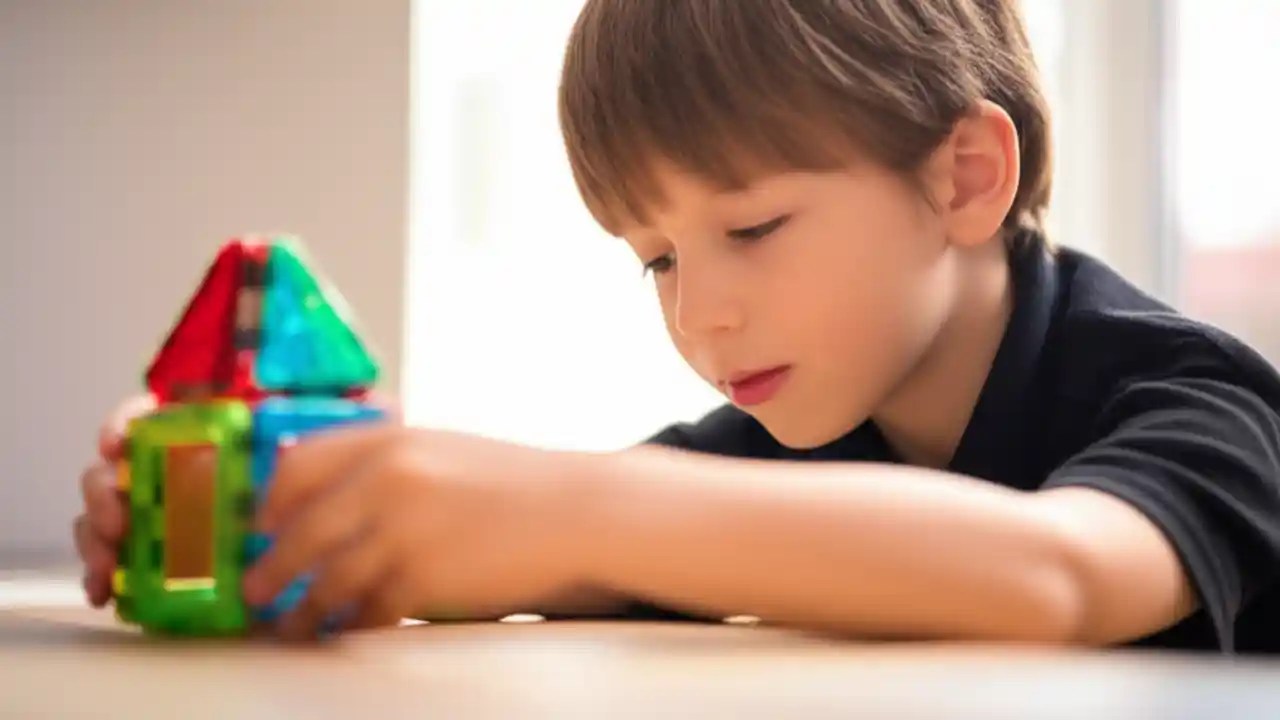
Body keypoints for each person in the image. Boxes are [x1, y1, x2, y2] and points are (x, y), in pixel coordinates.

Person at [74, 0, 1280, 653]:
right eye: (654, 258)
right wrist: (269, 509)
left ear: (963, 176)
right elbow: (515, 552)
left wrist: (575, 507)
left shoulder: (1190, 398)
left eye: (750, 228)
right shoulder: (791, 437)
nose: (697, 312)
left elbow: (1061, 574)